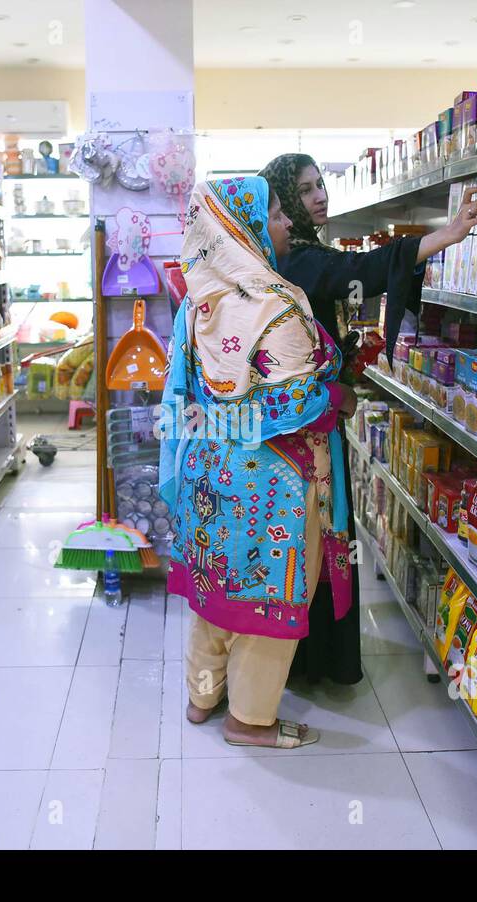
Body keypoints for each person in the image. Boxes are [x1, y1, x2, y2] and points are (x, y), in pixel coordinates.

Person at [259, 153, 477, 685]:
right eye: (303, 191)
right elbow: (359, 272)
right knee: (319, 538)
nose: (320, 196)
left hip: (315, 421)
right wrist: (446, 235)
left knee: (321, 537)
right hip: (307, 432)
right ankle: (310, 664)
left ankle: (308, 663)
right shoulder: (296, 261)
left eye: (321, 185)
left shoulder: (303, 253)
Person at [158, 176, 354, 748]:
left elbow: (189, 394)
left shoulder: (198, 301)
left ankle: (201, 697)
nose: (287, 221)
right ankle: (248, 719)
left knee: (214, 591)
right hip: (274, 484)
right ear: (241, 227)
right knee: (269, 600)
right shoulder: (276, 303)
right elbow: (298, 405)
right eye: (273, 212)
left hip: (207, 471)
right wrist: (337, 395)